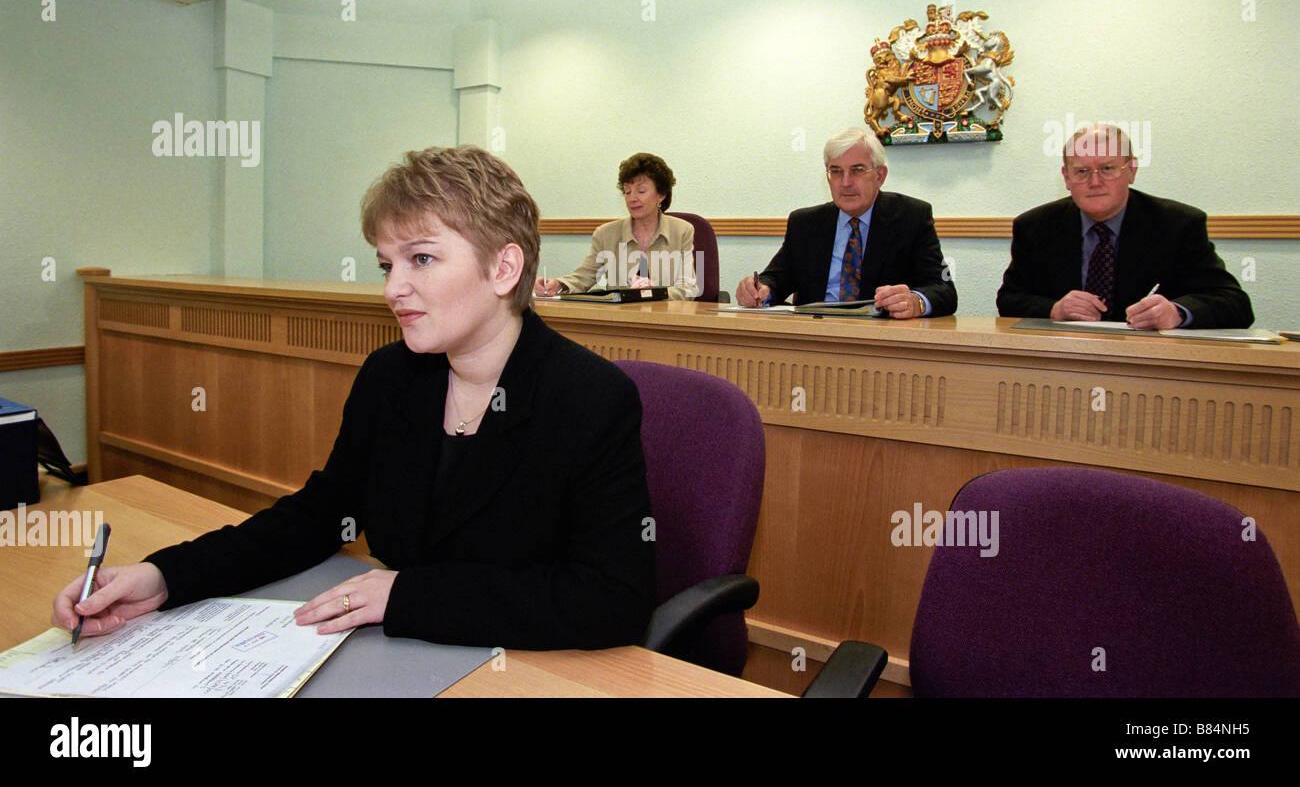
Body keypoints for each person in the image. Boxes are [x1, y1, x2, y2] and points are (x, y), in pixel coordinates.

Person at [53, 146, 656, 650]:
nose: (393, 289)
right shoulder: (391, 376)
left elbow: (612, 600)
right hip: (401, 655)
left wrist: (406, 596)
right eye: (386, 264)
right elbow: (318, 517)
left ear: (503, 269)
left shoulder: (590, 399)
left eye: (420, 258)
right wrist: (163, 577)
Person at [996, 124, 1253, 329]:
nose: (1095, 182)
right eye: (1082, 171)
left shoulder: (1178, 224)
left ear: (1131, 170)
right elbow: (1009, 300)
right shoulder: (1035, 226)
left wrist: (1176, 313)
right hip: (1065, 360)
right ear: (1066, 178)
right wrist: (1055, 309)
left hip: (1152, 366)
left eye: (1107, 169)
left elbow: (1235, 304)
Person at [735, 127, 957, 317]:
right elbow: (776, 278)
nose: (846, 183)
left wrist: (915, 302)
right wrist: (759, 290)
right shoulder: (805, 223)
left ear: (879, 176)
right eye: (836, 172)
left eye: (857, 170)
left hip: (881, 343)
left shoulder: (911, 217)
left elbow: (944, 289)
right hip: (814, 339)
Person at [534, 153, 697, 299]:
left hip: (665, 322)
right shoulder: (606, 234)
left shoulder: (682, 231)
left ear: (661, 195)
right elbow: (584, 276)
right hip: (619, 322)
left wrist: (653, 292)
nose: (632, 198)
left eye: (641, 191)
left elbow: (688, 288)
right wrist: (558, 284)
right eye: (627, 191)